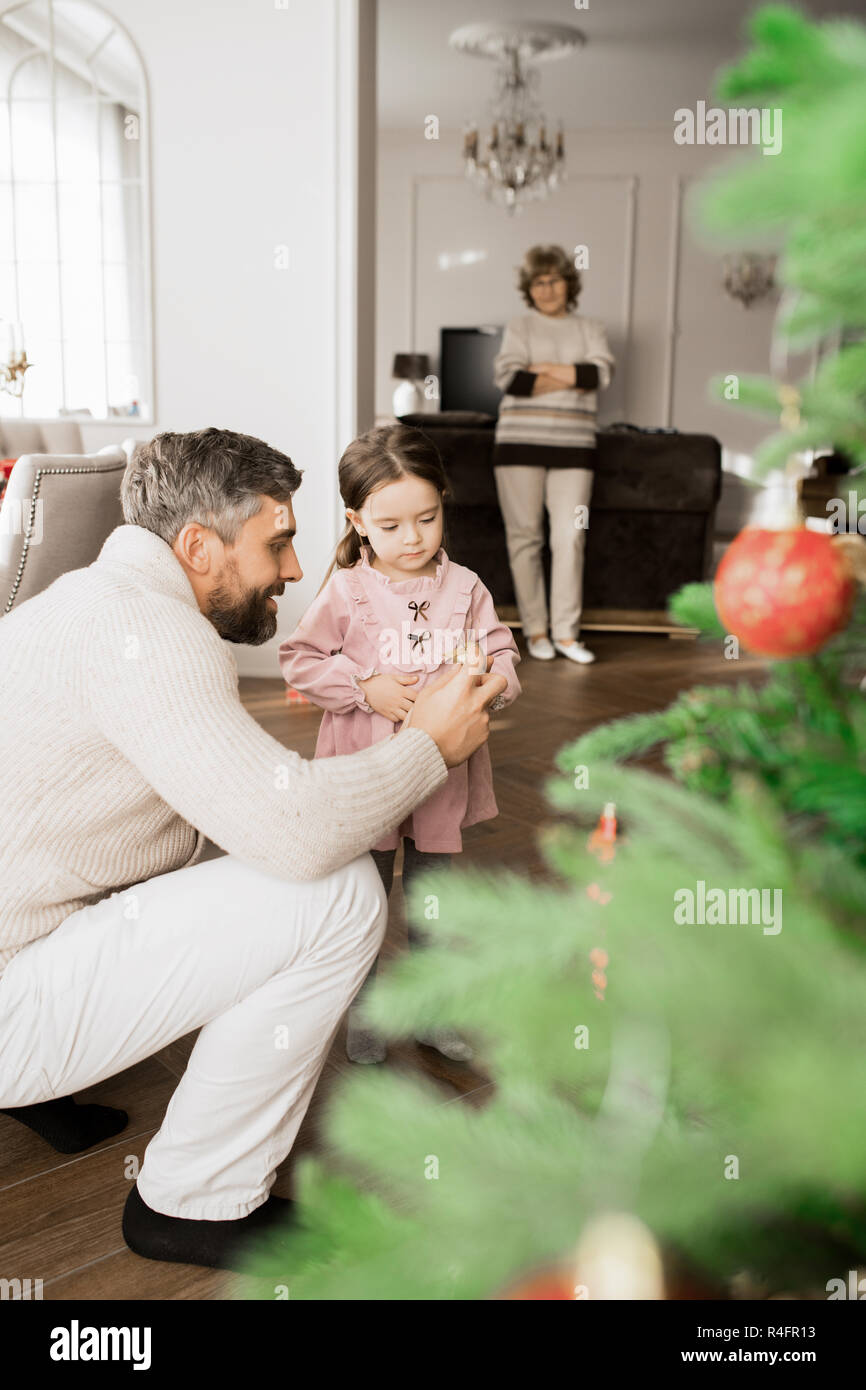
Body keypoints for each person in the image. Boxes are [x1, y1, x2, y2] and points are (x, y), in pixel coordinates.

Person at [0, 427, 506, 1272]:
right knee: (340, 889)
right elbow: (298, 833)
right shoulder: (154, 638)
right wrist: (428, 746)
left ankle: (44, 1084)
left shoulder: (74, 603)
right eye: (277, 540)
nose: (298, 569)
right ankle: (195, 1202)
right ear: (199, 546)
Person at [279, 424, 521, 1065]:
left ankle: (432, 1014)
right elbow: (299, 660)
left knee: (433, 907)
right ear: (358, 522)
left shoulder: (466, 588)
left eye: (427, 518)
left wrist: (491, 681)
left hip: (442, 780)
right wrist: (365, 686)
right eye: (390, 526)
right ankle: (366, 1013)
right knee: (364, 906)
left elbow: (504, 653)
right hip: (368, 778)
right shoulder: (345, 591)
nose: (412, 538)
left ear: (443, 503)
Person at [492, 243, 615, 664]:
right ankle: (537, 631)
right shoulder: (519, 327)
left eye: (554, 280)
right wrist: (571, 376)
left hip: (575, 448)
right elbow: (512, 381)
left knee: (571, 538)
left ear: (569, 282)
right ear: (530, 288)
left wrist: (541, 371)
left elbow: (596, 374)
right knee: (524, 538)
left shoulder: (590, 328)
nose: (547, 289)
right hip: (517, 446)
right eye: (538, 282)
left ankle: (566, 634)